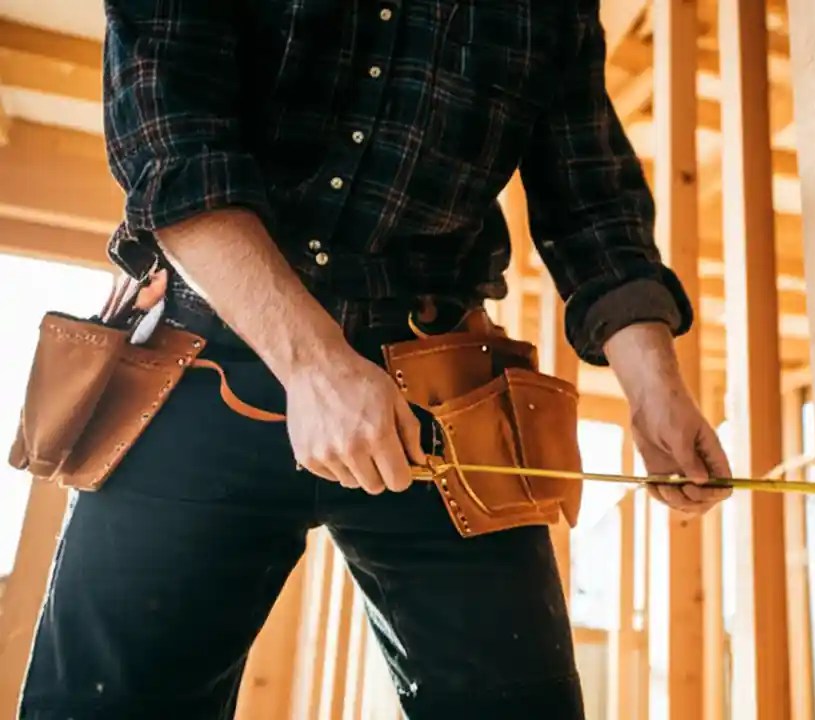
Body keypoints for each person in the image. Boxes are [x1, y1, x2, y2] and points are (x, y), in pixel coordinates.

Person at [18, 1, 731, 718]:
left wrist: (654, 388)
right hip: (206, 352)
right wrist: (315, 364)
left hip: (443, 395)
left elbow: (593, 204)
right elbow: (171, 149)